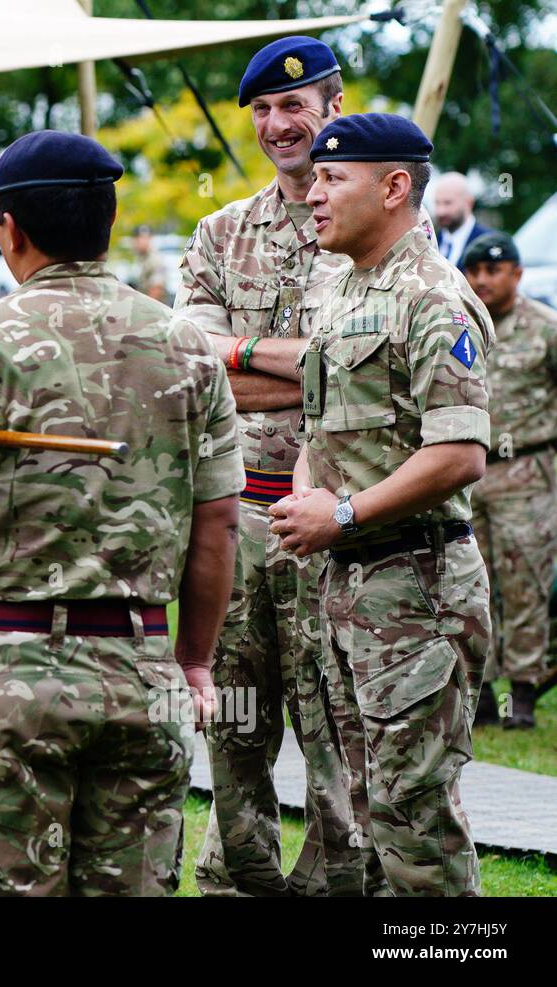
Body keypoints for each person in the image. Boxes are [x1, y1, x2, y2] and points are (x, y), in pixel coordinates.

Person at [0, 130, 244, 896]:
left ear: (9, 228)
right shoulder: (188, 345)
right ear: (107, 221)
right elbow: (219, 524)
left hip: (13, 669)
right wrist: (196, 661)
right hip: (145, 667)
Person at [270, 113, 493, 897]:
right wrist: (307, 489)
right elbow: (323, 420)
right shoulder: (341, 288)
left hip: (416, 585)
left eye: (334, 180)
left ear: (395, 187)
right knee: (368, 808)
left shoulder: (432, 296)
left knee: (414, 814)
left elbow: (459, 451)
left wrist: (345, 512)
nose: (314, 195)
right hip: (346, 587)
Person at [174, 35, 363, 897]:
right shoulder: (219, 233)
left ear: (333, 107)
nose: (278, 126)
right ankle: (239, 877)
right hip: (237, 522)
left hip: (342, 522)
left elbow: (364, 364)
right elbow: (192, 364)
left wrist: (245, 351)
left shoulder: (372, 223)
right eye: (262, 111)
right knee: (235, 723)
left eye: (294, 106)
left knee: (338, 723)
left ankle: (341, 882)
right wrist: (302, 363)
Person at [463, 231, 557, 730]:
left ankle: (522, 695)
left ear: (516, 274)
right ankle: (481, 693)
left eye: (493, 271)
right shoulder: (461, 322)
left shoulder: (545, 328)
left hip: (528, 473)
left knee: (525, 583)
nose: (482, 280)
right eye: (475, 271)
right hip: (468, 473)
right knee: (473, 583)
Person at [435, 172, 490, 270]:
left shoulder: (488, 242)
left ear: (468, 203)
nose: (441, 211)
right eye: (437, 203)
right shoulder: (430, 242)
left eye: (448, 203)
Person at [130, 225, 167, 301]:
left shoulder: (155, 259)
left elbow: (157, 289)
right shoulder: (141, 257)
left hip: (153, 308)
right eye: (139, 238)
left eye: (145, 238)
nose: (142, 241)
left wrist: (143, 309)